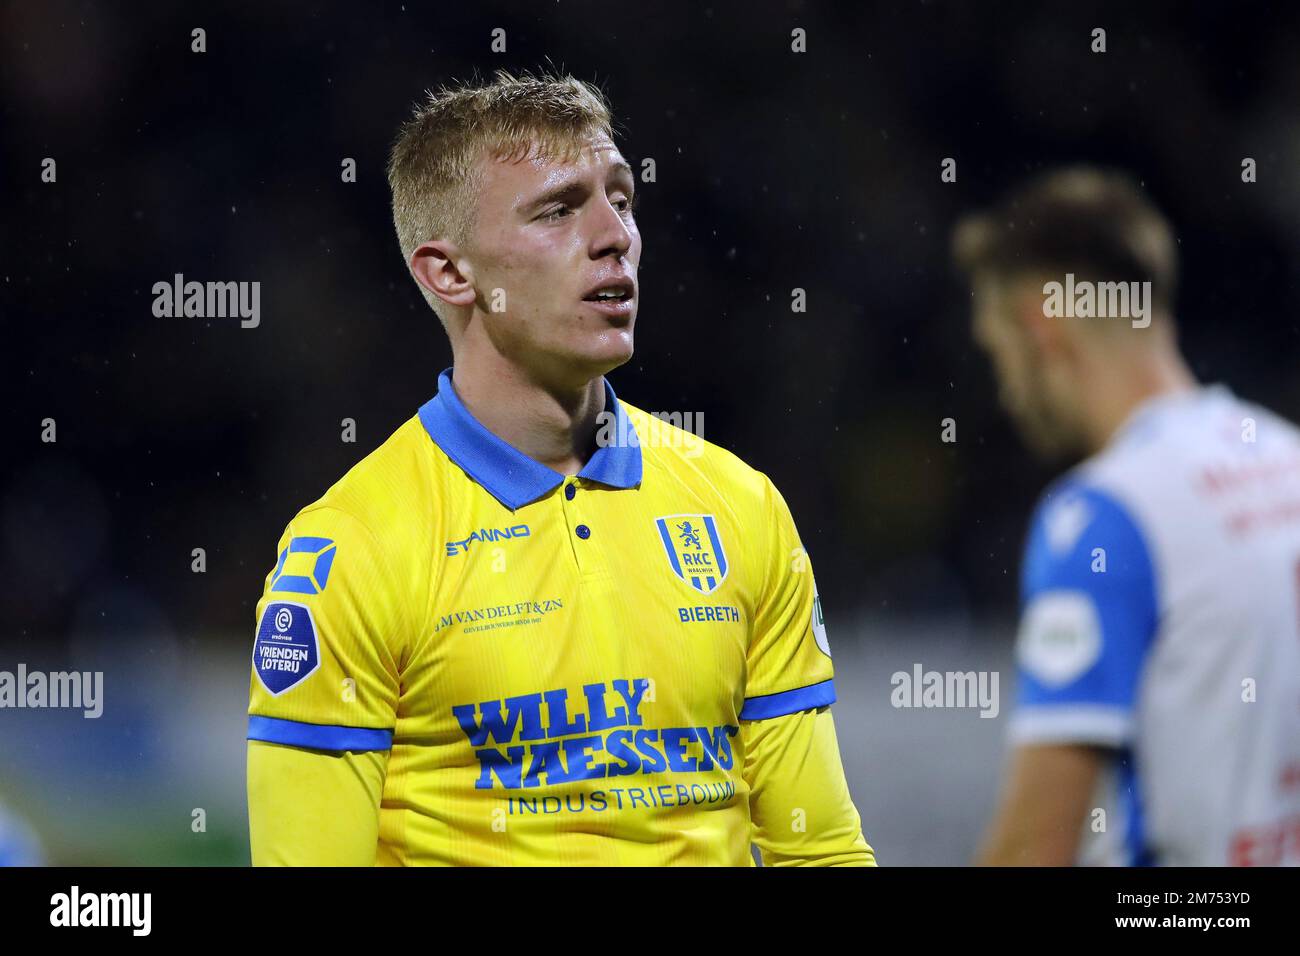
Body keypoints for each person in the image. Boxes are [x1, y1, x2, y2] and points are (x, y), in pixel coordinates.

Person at [245, 70, 874, 866]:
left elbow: (817, 851)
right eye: (558, 209)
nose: (614, 234)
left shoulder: (741, 507)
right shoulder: (355, 548)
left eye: (622, 198)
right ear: (450, 272)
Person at [955, 167, 1300, 866]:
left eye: (997, 353)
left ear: (1038, 328)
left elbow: (1034, 848)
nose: (1006, 390)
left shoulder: (1102, 518)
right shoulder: (1287, 455)